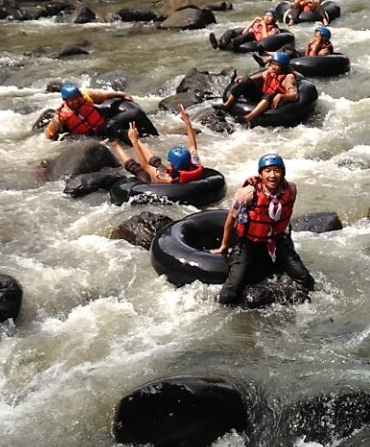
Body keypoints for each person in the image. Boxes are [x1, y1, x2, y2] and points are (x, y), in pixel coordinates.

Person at [213, 153, 314, 305]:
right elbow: (230, 220)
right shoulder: (247, 194)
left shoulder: (291, 189)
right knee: (230, 291)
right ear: (260, 174)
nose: (272, 175)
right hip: (249, 242)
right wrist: (224, 245)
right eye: (268, 171)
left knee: (306, 280)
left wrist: (288, 245)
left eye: (277, 170)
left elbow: (285, 217)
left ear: (283, 172)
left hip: (277, 239)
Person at [110, 104, 203, 184]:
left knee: (137, 169)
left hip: (149, 181)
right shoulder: (195, 163)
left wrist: (134, 142)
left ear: (173, 165)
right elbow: (193, 146)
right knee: (155, 162)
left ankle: (115, 144)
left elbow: (145, 166)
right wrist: (187, 122)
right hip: (178, 173)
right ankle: (136, 139)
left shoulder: (168, 178)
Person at [222, 50, 300, 124]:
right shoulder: (271, 70)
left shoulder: (288, 78)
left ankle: (248, 117)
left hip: (273, 103)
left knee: (270, 94)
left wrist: (281, 96)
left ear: (283, 67)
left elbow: (295, 96)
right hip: (262, 96)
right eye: (273, 63)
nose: (273, 67)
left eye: (277, 65)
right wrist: (245, 79)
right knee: (246, 81)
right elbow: (261, 75)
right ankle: (226, 105)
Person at [43, 82, 136, 141]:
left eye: (76, 98)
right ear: (65, 100)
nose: (75, 101)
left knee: (129, 117)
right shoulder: (61, 116)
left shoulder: (86, 96)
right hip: (87, 137)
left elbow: (104, 95)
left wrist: (122, 95)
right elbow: (49, 133)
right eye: (71, 100)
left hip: (102, 126)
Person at [212, 9, 280, 50]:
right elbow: (244, 32)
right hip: (245, 37)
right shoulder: (259, 24)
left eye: (270, 16)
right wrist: (253, 21)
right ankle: (219, 43)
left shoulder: (274, 29)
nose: (267, 17)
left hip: (255, 41)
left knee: (250, 34)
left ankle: (229, 44)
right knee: (230, 32)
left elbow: (266, 39)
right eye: (266, 15)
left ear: (274, 18)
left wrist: (264, 26)